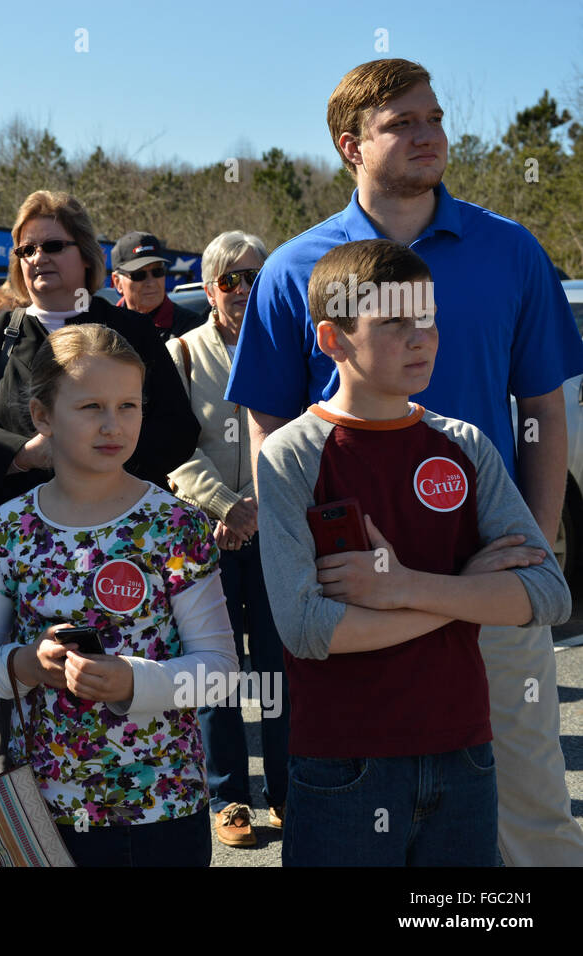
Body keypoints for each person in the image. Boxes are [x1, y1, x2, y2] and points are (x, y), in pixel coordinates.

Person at [225, 57, 583, 866]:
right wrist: (305, 573)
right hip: (358, 605)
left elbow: (543, 414)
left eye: (434, 118)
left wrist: (525, 554)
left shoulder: (511, 251)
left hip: (489, 584)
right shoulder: (291, 270)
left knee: (531, 817)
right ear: (351, 144)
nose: (429, 136)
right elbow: (272, 433)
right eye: (403, 123)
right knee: (368, 815)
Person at [257, 238, 571, 866]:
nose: (421, 337)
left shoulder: (466, 445)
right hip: (345, 760)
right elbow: (310, 630)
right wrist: (466, 591)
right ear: (332, 338)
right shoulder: (291, 455)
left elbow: (546, 596)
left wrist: (403, 587)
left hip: (465, 753)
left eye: (427, 318)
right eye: (394, 322)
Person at [0, 323, 236, 866]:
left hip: (161, 806)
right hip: (42, 810)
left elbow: (219, 668)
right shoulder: (6, 528)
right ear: (41, 416)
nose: (114, 425)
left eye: (128, 405)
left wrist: (136, 679)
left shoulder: (175, 525)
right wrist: (27, 665)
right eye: (90, 407)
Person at [0, 190, 199, 779]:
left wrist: (104, 471)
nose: (39, 257)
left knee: (118, 699)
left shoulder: (131, 331)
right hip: (24, 544)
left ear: (85, 255)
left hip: (126, 548)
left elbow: (177, 429)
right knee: (10, 718)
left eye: (54, 245)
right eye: (27, 248)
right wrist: (25, 453)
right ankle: (22, 831)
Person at [166, 230, 288, 847]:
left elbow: (303, 435)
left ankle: (287, 791)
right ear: (211, 289)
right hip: (205, 533)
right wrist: (225, 507)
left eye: (255, 278)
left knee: (278, 663)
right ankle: (230, 797)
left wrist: (262, 511)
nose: (243, 290)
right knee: (216, 670)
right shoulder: (181, 352)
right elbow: (170, 449)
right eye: (230, 280)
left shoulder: (288, 345)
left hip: (276, 530)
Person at [109, 231, 200, 341]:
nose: (151, 282)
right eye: (139, 274)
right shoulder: (104, 331)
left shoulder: (193, 330)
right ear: (117, 282)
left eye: (157, 271)